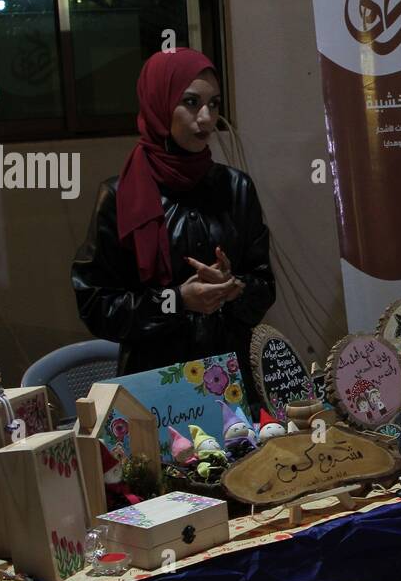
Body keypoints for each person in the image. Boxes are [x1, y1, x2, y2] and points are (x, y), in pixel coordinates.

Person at [71, 48, 275, 388]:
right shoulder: (120, 196)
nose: (207, 118)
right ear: (159, 105)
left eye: (214, 104)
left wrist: (232, 288)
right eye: (192, 103)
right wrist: (176, 301)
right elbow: (97, 304)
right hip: (156, 391)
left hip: (231, 382)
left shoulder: (236, 188)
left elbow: (264, 286)